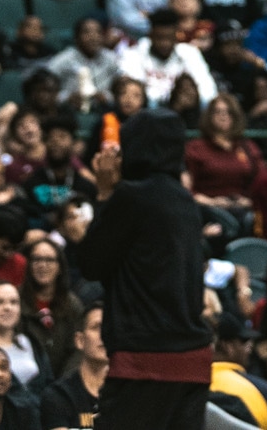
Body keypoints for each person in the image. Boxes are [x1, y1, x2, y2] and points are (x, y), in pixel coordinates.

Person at [75, 106, 213, 430]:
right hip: (193, 360)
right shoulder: (185, 200)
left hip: (145, 358)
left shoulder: (131, 196)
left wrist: (105, 192)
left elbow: (90, 263)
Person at [117, 8, 217, 107]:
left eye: (169, 38)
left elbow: (207, 90)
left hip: (182, 111)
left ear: (176, 37)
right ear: (150, 35)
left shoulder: (189, 52)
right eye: (160, 38)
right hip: (148, 111)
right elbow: (135, 92)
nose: (165, 43)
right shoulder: (134, 54)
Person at [208, 311, 267, 430]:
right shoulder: (254, 390)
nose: (250, 346)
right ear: (227, 347)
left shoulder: (192, 384)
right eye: (243, 341)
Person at [19, 236, 85, 377]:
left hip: (62, 384)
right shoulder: (14, 301)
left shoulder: (73, 305)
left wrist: (62, 386)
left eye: (49, 260)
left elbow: (77, 351)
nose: (43, 265)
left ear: (60, 267)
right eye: (37, 259)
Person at [39, 301, 109, 430]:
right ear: (80, 340)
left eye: (110, 328)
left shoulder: (128, 393)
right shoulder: (58, 395)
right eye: (96, 327)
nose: (104, 334)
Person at [48, 16, 119, 109]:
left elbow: (121, 88)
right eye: (87, 32)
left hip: (105, 109)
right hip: (72, 111)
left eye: (98, 32)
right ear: (76, 38)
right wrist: (67, 98)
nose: (93, 37)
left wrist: (106, 97)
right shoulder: (63, 59)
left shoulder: (110, 58)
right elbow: (44, 88)